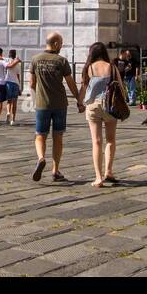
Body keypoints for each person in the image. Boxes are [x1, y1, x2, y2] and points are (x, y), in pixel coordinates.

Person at [28, 32, 84, 182]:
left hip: (42, 104)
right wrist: (79, 100)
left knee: (40, 135)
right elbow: (71, 83)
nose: (62, 46)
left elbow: (31, 84)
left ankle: (41, 158)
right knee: (58, 136)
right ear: (56, 44)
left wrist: (35, 100)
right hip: (60, 104)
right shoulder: (61, 61)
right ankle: (55, 170)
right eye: (61, 43)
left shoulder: (35, 60)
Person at [80, 42, 122, 188]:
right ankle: (109, 171)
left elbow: (84, 87)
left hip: (92, 106)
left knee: (96, 142)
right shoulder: (112, 67)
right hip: (109, 106)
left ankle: (98, 177)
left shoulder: (88, 68)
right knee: (110, 140)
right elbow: (120, 87)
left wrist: (80, 103)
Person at [3, 49, 22, 125]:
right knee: (14, 102)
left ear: (9, 54)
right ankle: (13, 120)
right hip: (15, 83)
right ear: (15, 55)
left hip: (8, 82)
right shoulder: (17, 64)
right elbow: (18, 76)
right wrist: (19, 87)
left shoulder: (7, 61)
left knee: (9, 100)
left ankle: (8, 112)